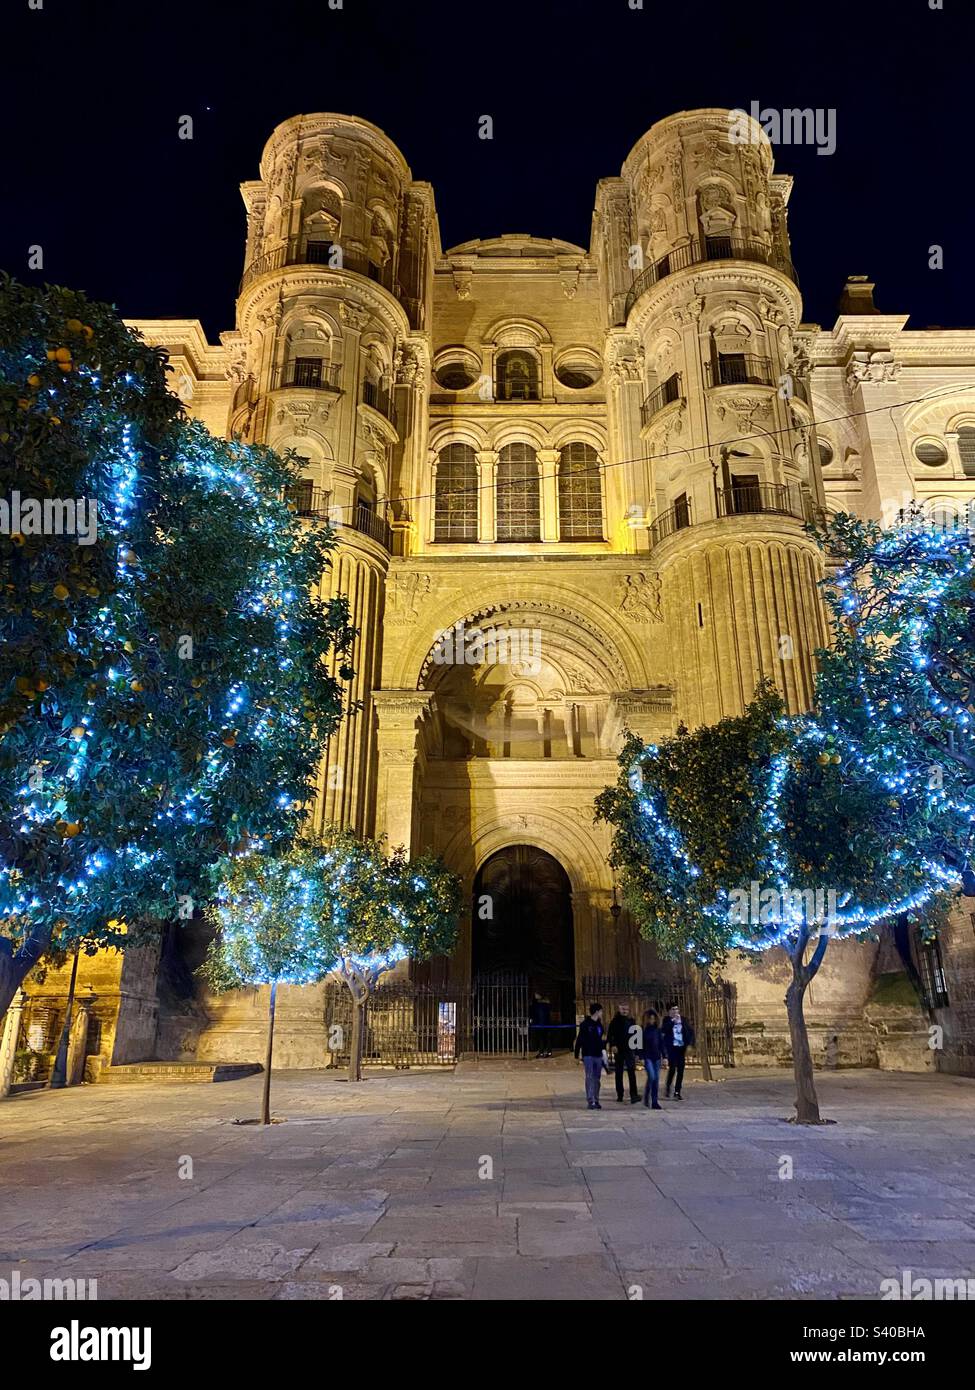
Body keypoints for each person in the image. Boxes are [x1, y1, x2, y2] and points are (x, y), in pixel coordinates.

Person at [607, 1000, 640, 1104]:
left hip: (630, 1049)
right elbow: (610, 1035)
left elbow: (636, 1036)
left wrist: (637, 1052)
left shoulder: (631, 1021)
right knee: (619, 1072)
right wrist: (612, 1045)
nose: (625, 1011)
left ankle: (633, 1094)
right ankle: (620, 1094)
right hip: (619, 1049)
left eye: (626, 1009)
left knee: (631, 1072)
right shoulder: (614, 1021)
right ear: (619, 1009)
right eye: (623, 1009)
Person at [574, 1003, 605, 1110]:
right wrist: (577, 1054)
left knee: (597, 1078)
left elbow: (600, 1039)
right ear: (597, 1011)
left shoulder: (599, 1025)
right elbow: (579, 1040)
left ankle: (596, 1099)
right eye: (601, 1011)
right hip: (588, 1054)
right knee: (590, 1077)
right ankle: (590, 1099)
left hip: (598, 1054)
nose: (602, 1013)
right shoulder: (585, 1024)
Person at [661, 1002, 695, 1100]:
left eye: (676, 1009)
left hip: (681, 1048)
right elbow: (664, 1030)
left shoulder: (683, 1020)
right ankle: (668, 1086)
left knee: (681, 1070)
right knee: (672, 1069)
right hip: (672, 1048)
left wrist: (690, 1045)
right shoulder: (666, 1020)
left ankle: (677, 1091)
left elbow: (690, 1032)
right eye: (673, 1009)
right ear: (669, 1011)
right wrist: (672, 1021)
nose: (675, 1011)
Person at [639, 1009, 664, 1110]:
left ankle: (654, 1101)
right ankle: (646, 1095)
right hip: (647, 1056)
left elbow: (661, 1044)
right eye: (650, 1019)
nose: (652, 1021)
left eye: (654, 1019)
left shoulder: (657, 1030)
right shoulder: (642, 1030)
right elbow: (640, 1045)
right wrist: (641, 1057)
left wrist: (665, 1056)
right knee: (652, 1076)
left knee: (656, 1079)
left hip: (656, 1057)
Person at [529, 993, 552, 1058]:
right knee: (547, 1038)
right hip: (547, 1024)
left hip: (539, 1024)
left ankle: (541, 1052)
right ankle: (548, 1052)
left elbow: (533, 1015)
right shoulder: (547, 1005)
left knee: (541, 1038)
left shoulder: (535, 1006)